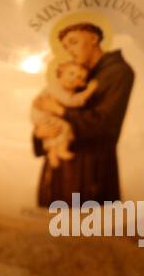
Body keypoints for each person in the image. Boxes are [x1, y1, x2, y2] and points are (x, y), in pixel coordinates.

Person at [33, 21, 135, 205]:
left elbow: (106, 123)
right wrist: (40, 133)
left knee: (88, 226)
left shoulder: (117, 73)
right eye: (65, 46)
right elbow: (46, 109)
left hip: (92, 169)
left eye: (73, 42)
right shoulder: (75, 72)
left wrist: (60, 111)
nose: (69, 50)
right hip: (60, 167)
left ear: (93, 39)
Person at [31, 60, 98, 167]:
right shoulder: (56, 87)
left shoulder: (64, 89)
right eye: (71, 73)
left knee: (56, 131)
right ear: (61, 72)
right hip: (43, 116)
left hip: (44, 116)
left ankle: (52, 152)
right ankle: (61, 149)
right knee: (65, 128)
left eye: (79, 77)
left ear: (81, 83)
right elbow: (70, 101)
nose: (74, 78)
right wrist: (88, 92)